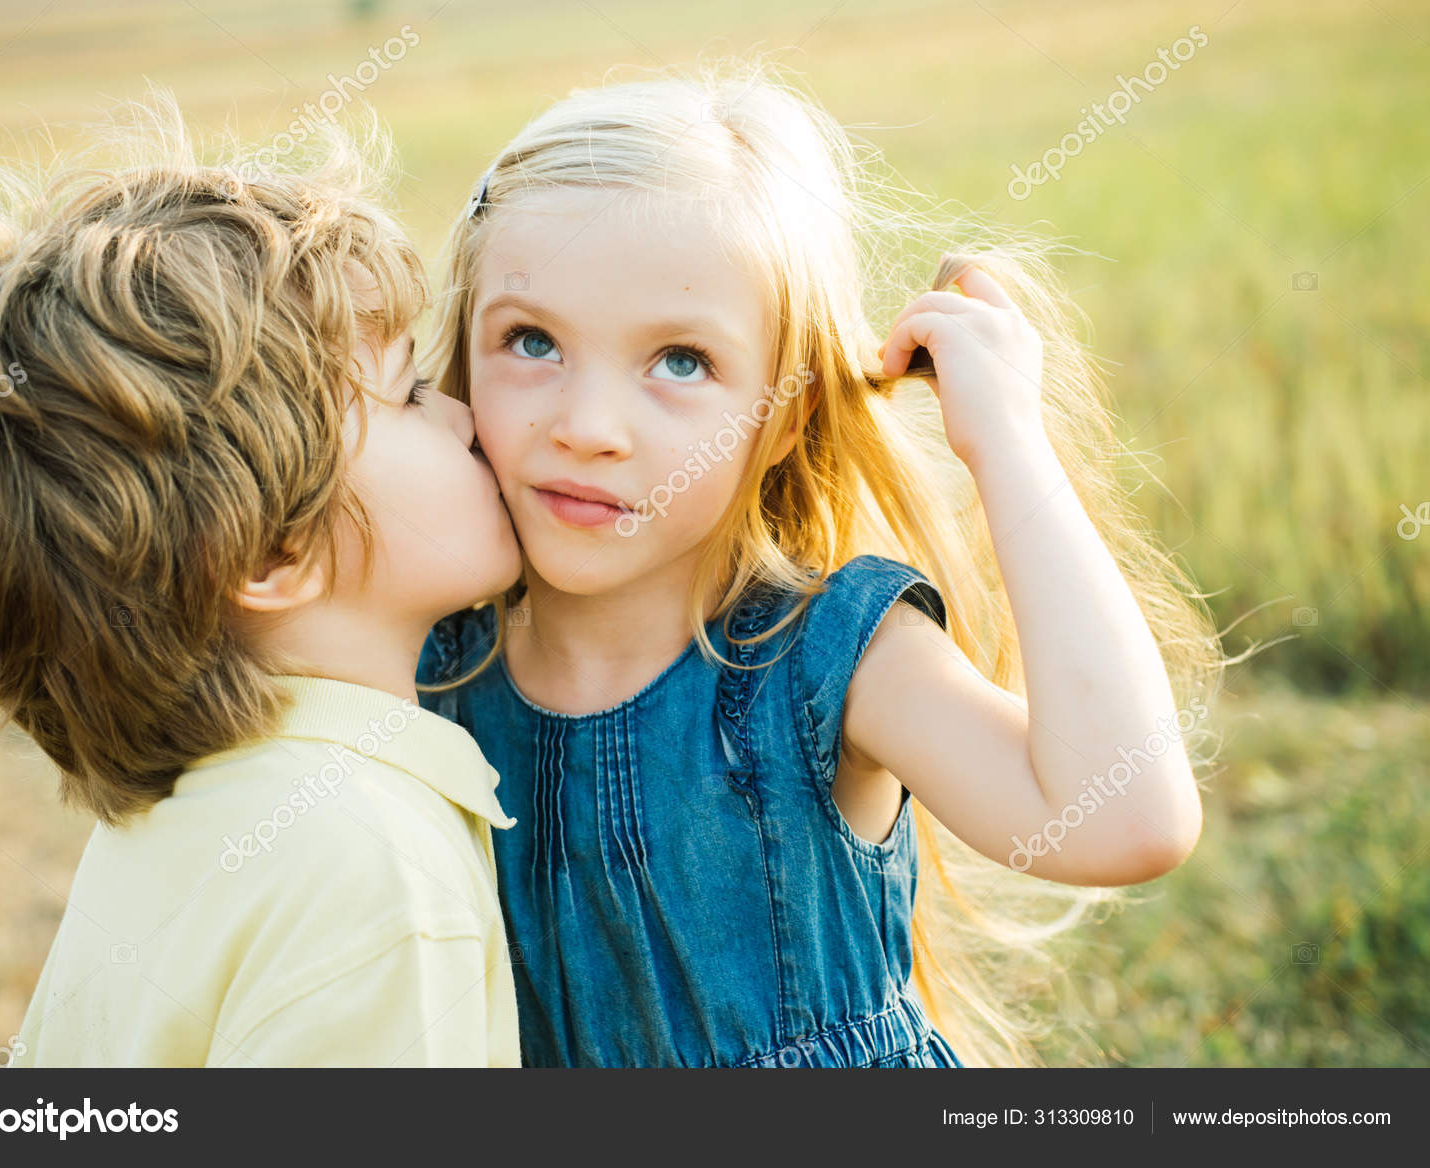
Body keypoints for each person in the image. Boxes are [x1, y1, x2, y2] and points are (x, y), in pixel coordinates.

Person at [416, 62, 1224, 1067]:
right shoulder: (427, 659)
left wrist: (1008, 443)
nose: (586, 428)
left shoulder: (825, 658)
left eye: (679, 362)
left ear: (785, 415)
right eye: (530, 340)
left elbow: (1126, 821)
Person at [0, 94, 523, 1066]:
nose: (461, 419)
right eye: (407, 394)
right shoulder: (369, 871)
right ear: (270, 556)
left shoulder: (172, 828)